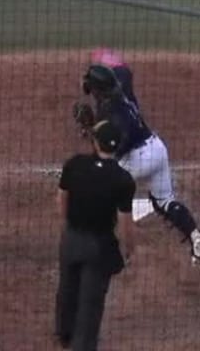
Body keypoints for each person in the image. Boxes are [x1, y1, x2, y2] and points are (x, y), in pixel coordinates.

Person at [74, 48, 200, 263]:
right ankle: (195, 235)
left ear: (97, 90)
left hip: (137, 159)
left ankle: (95, 245)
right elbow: (123, 70)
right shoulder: (121, 85)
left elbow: (108, 151)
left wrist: (90, 131)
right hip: (157, 149)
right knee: (164, 201)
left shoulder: (108, 117)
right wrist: (104, 59)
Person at [55, 120, 137, 351]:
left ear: (95, 142)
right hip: (98, 246)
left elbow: (61, 199)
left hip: (71, 239)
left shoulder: (75, 164)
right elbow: (125, 222)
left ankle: (64, 335)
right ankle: (82, 346)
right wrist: (129, 249)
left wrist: (69, 227)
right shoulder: (123, 180)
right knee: (90, 302)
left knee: (67, 289)